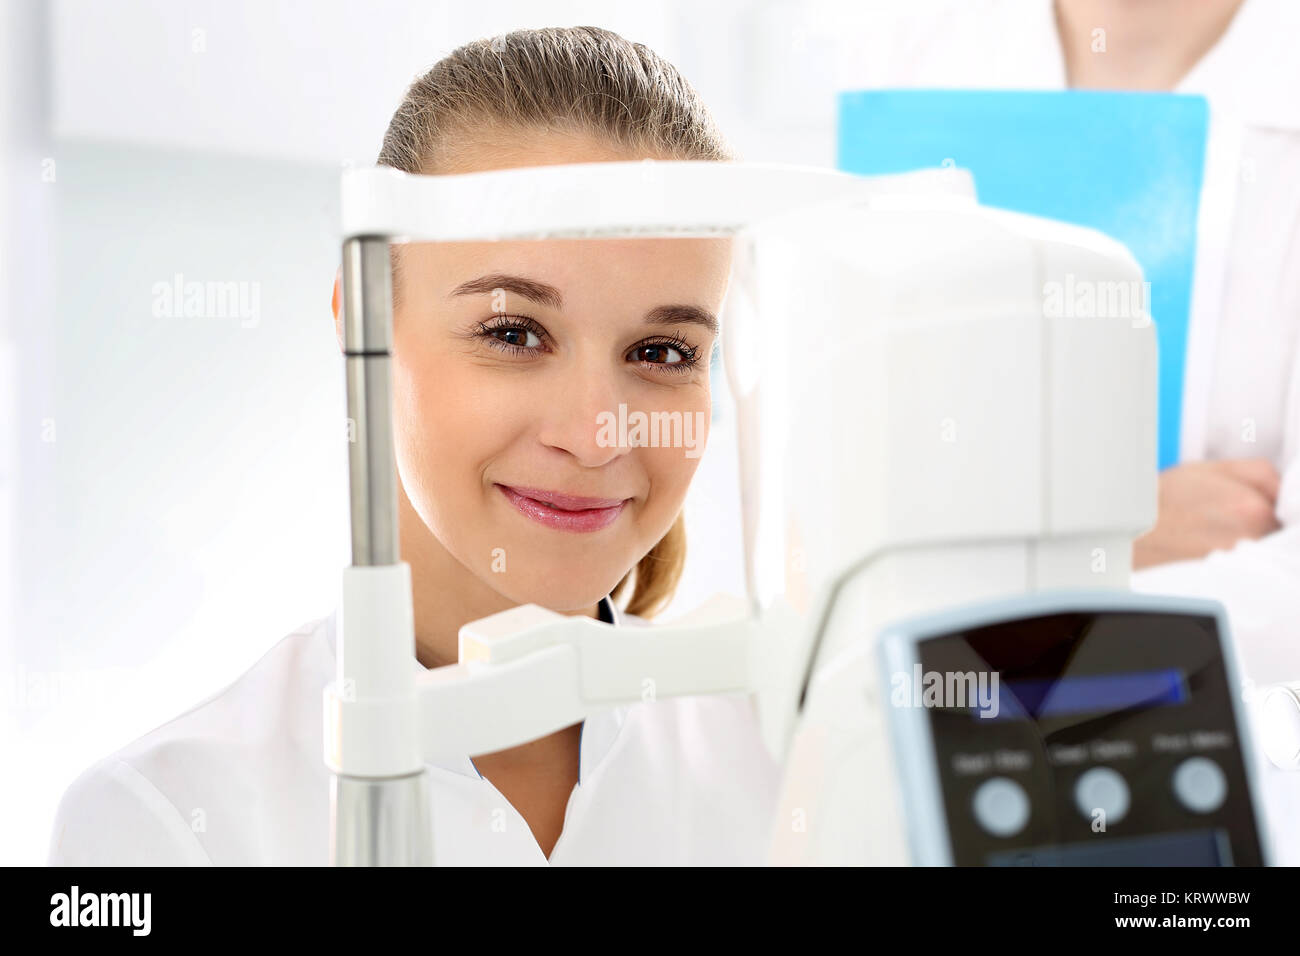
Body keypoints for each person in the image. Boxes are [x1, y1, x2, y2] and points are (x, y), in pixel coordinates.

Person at [47, 26, 781, 866]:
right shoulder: (161, 821)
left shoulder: (788, 764)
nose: (593, 435)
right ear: (363, 324)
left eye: (662, 353)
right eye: (514, 332)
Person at [839, 0, 1300, 683]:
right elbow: (840, 530)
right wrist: (1104, 544)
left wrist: (962, 582)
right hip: (933, 728)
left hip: (1223, 742)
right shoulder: (908, 49)